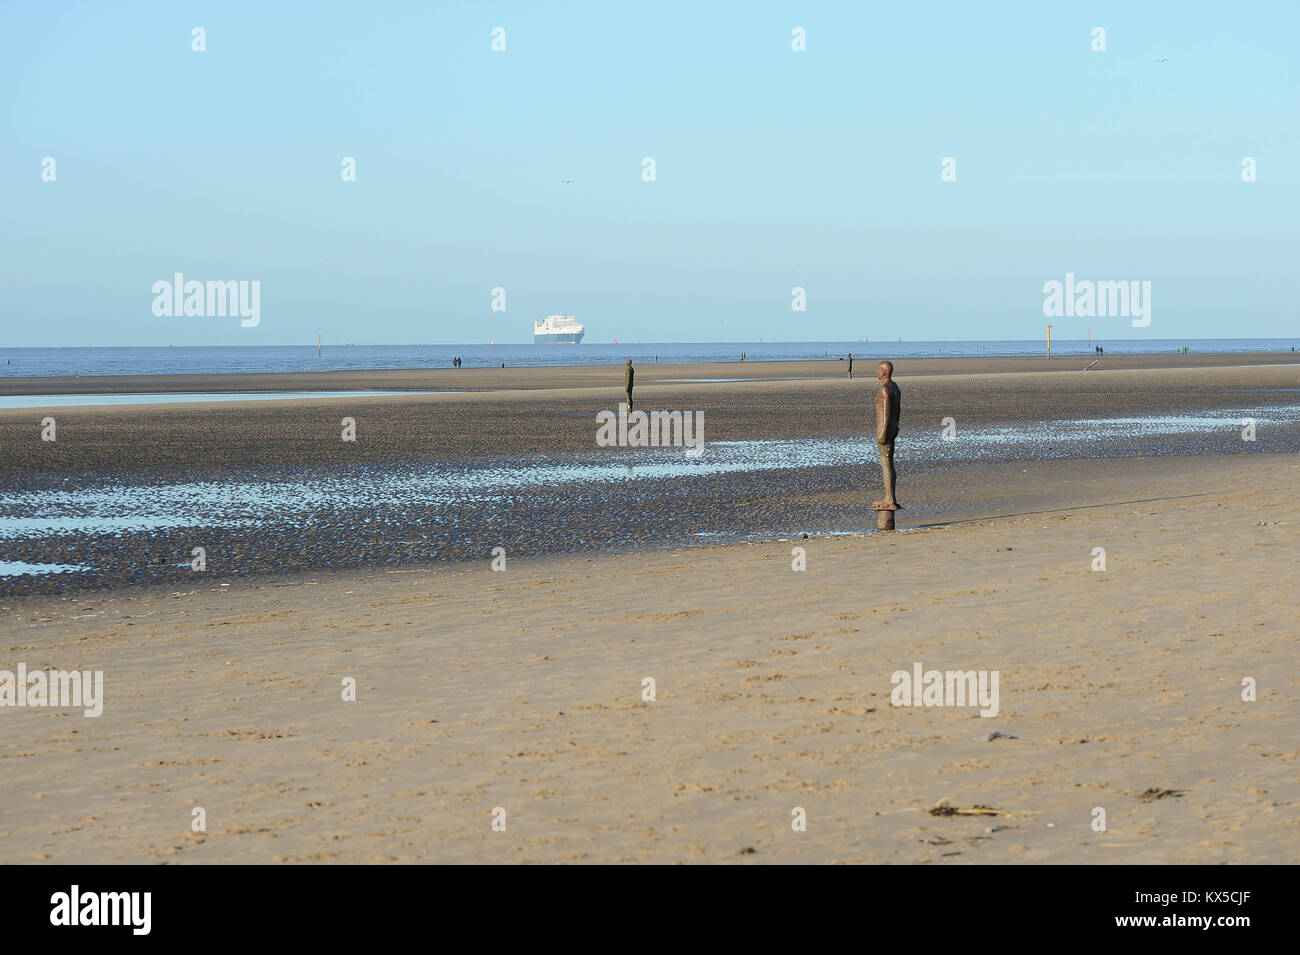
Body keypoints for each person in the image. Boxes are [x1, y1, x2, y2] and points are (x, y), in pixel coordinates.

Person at [872, 360, 901, 510]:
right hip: (892, 429)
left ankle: (889, 498)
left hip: (885, 430)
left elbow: (887, 412)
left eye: (878, 370)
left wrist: (882, 433)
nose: (876, 372)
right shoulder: (895, 387)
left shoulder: (885, 388)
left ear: (884, 372)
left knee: (886, 464)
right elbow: (898, 411)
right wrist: (895, 427)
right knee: (889, 463)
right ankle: (890, 496)